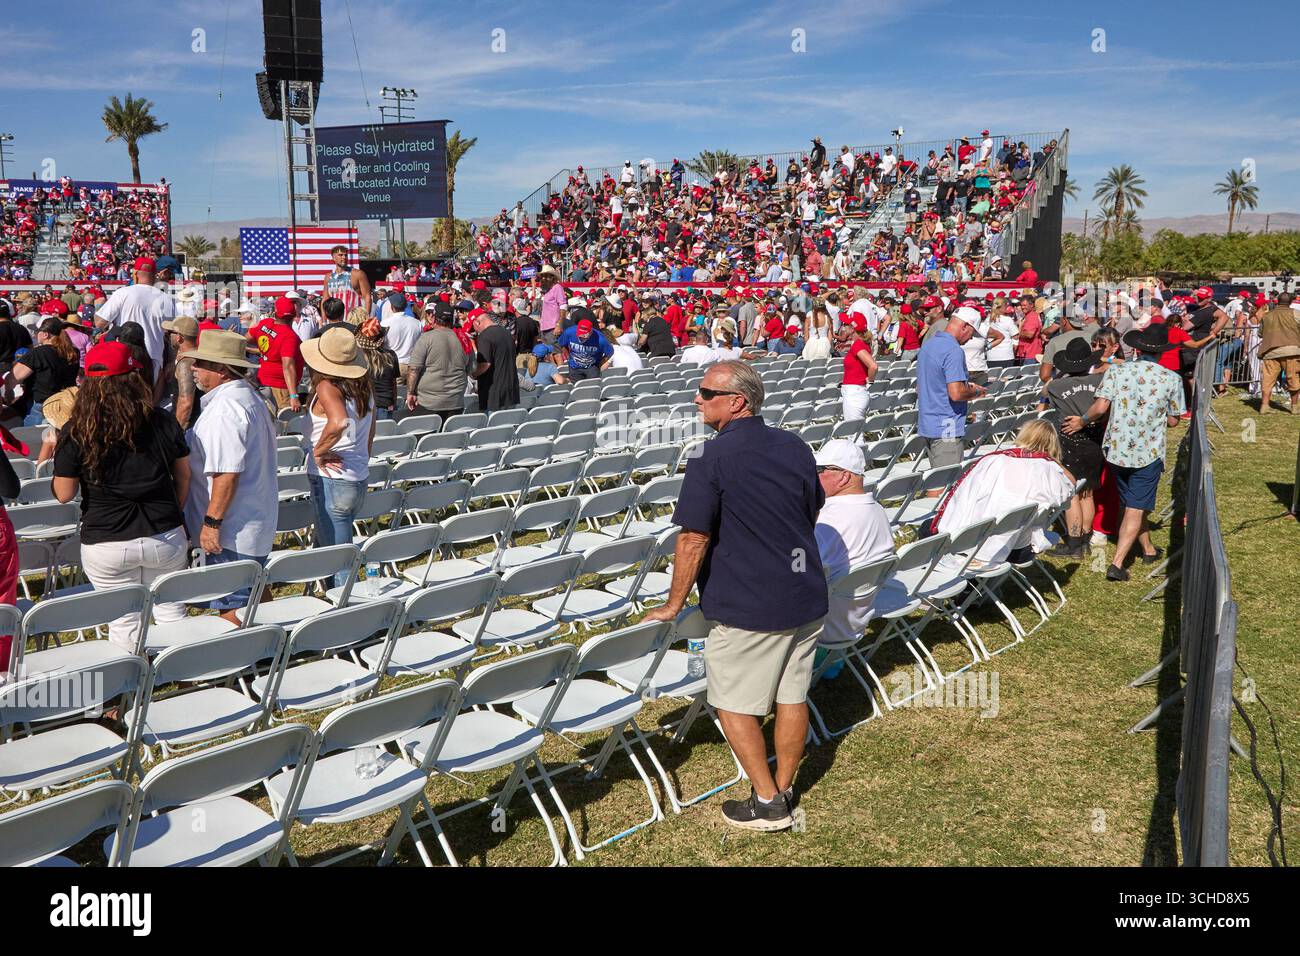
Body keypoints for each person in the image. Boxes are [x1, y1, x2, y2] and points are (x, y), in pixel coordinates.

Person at [643, 360, 826, 832]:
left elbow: (693, 538)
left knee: (733, 702)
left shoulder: (710, 457)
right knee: (792, 695)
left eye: (706, 392)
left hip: (750, 603)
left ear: (736, 402)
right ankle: (783, 787)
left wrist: (673, 603)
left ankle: (767, 801)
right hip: (804, 591)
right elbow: (812, 508)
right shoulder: (795, 445)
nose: (697, 399)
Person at [52, 341, 192, 652]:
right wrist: (173, 516)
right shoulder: (162, 420)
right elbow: (184, 476)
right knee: (171, 612)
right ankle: (183, 674)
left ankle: (127, 688)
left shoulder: (76, 431)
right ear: (134, 378)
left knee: (125, 621)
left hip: (107, 540)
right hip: (164, 532)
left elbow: (63, 494)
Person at [1061, 324, 1185, 581]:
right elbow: (1174, 420)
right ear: (1162, 353)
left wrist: (1082, 420)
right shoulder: (1172, 379)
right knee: (1136, 506)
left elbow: (1100, 406)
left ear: (1137, 349)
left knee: (1133, 503)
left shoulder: (1118, 372)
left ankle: (1148, 549)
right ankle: (1117, 564)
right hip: (1148, 451)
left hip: (1116, 449)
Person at [182, 330, 279, 624]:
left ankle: (240, 663)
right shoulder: (248, 397)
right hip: (250, 518)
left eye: (201, 363)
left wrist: (212, 524)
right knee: (252, 591)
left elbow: (227, 473)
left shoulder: (225, 410)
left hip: (231, 528)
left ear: (222, 370)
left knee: (231, 603)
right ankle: (272, 648)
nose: (193, 368)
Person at [932, 420, 1074, 564]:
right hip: (1021, 549)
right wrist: (1052, 459)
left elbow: (964, 498)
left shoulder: (993, 460)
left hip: (976, 548)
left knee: (929, 530)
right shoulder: (1051, 470)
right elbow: (1071, 487)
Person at [300, 327, 374, 586]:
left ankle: (345, 618)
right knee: (328, 545)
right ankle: (322, 597)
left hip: (332, 480)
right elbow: (369, 435)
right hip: (356, 478)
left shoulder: (326, 385)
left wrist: (318, 451)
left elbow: (339, 421)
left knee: (339, 560)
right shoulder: (364, 387)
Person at [813, 439, 895, 649]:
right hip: (853, 623)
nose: (813, 475)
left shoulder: (827, 521)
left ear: (844, 476)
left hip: (817, 631)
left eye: (820, 470)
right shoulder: (877, 510)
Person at [1043, 338, 1106, 557]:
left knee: (1071, 494)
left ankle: (1074, 542)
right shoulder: (1101, 380)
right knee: (1087, 492)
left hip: (1069, 440)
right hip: (1095, 438)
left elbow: (1044, 392)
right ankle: (1086, 537)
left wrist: (1061, 373)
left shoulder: (1057, 385)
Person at [916, 310, 986, 491]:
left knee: (937, 479)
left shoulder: (929, 344)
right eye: (972, 332)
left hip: (929, 420)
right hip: (946, 424)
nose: (971, 339)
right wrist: (975, 392)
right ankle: (935, 520)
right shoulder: (953, 350)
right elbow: (955, 393)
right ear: (965, 326)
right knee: (944, 485)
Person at [95, 256, 174, 383]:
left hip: (126, 357)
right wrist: (170, 361)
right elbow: (171, 335)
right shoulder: (167, 299)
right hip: (154, 358)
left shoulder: (123, 293)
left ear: (135, 274)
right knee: (149, 400)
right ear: (154, 275)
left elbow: (99, 323)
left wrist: (98, 306)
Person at [5, 317, 80, 426]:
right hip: (68, 404)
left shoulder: (38, 353)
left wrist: (9, 394)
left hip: (44, 408)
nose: (35, 335)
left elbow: (13, 378)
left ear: (45, 334)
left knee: (30, 440)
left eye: (37, 331)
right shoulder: (73, 353)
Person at [406, 302, 472, 420]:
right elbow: (472, 369)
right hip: (455, 401)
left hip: (429, 402)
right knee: (449, 437)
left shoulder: (426, 338)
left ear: (435, 318)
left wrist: (410, 393)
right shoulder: (463, 339)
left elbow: (414, 369)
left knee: (429, 438)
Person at [249, 296, 305, 414]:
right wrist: (294, 396)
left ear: (275, 312)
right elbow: (288, 365)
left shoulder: (264, 323)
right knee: (283, 426)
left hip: (262, 382)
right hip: (280, 389)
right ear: (294, 314)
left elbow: (247, 338)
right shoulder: (289, 337)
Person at [1256, 292, 1300, 414]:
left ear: (1278, 301)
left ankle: (1264, 406)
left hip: (1270, 351)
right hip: (1291, 350)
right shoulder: (1296, 314)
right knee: (1293, 378)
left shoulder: (1267, 315)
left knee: (1268, 380)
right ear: (1290, 302)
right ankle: (1295, 406)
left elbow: (1260, 333)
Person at [472, 307, 521, 412]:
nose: (475, 331)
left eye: (473, 327)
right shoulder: (506, 332)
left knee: (492, 427)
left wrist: (472, 373)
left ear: (477, 322)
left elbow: (485, 364)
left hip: (494, 394)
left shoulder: (484, 336)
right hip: (511, 391)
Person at [161, 314, 202, 428]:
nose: (167, 335)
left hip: (187, 427)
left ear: (179, 337)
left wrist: (175, 433)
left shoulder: (186, 363)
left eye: (170, 333)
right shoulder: (198, 356)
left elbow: (186, 403)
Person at [356, 318, 400, 420]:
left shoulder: (358, 358)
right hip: (386, 405)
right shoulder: (391, 356)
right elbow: (393, 385)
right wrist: (393, 403)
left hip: (365, 406)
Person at [840, 313, 876, 421]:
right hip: (856, 391)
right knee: (854, 433)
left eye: (845, 325)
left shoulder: (857, 344)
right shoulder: (861, 343)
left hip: (854, 392)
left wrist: (870, 381)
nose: (844, 328)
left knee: (853, 433)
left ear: (852, 329)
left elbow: (873, 366)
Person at [380, 291, 424, 378]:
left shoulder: (385, 323)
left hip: (394, 365)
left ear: (392, 307)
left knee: (397, 391)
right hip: (412, 365)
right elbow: (421, 345)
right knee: (411, 391)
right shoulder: (417, 323)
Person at [556, 316, 613, 380]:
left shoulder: (600, 339)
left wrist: (600, 363)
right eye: (579, 336)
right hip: (574, 367)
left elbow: (610, 352)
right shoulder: (569, 332)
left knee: (592, 387)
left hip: (592, 367)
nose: (581, 338)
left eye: (584, 336)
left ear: (591, 332)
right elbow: (562, 344)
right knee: (577, 387)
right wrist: (568, 357)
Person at [322, 243, 372, 316]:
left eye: (345, 255)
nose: (344, 257)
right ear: (333, 257)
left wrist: (365, 319)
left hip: (353, 321)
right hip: (335, 321)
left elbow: (367, 297)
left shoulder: (357, 274)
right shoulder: (328, 277)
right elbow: (325, 300)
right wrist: (324, 322)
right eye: (340, 255)